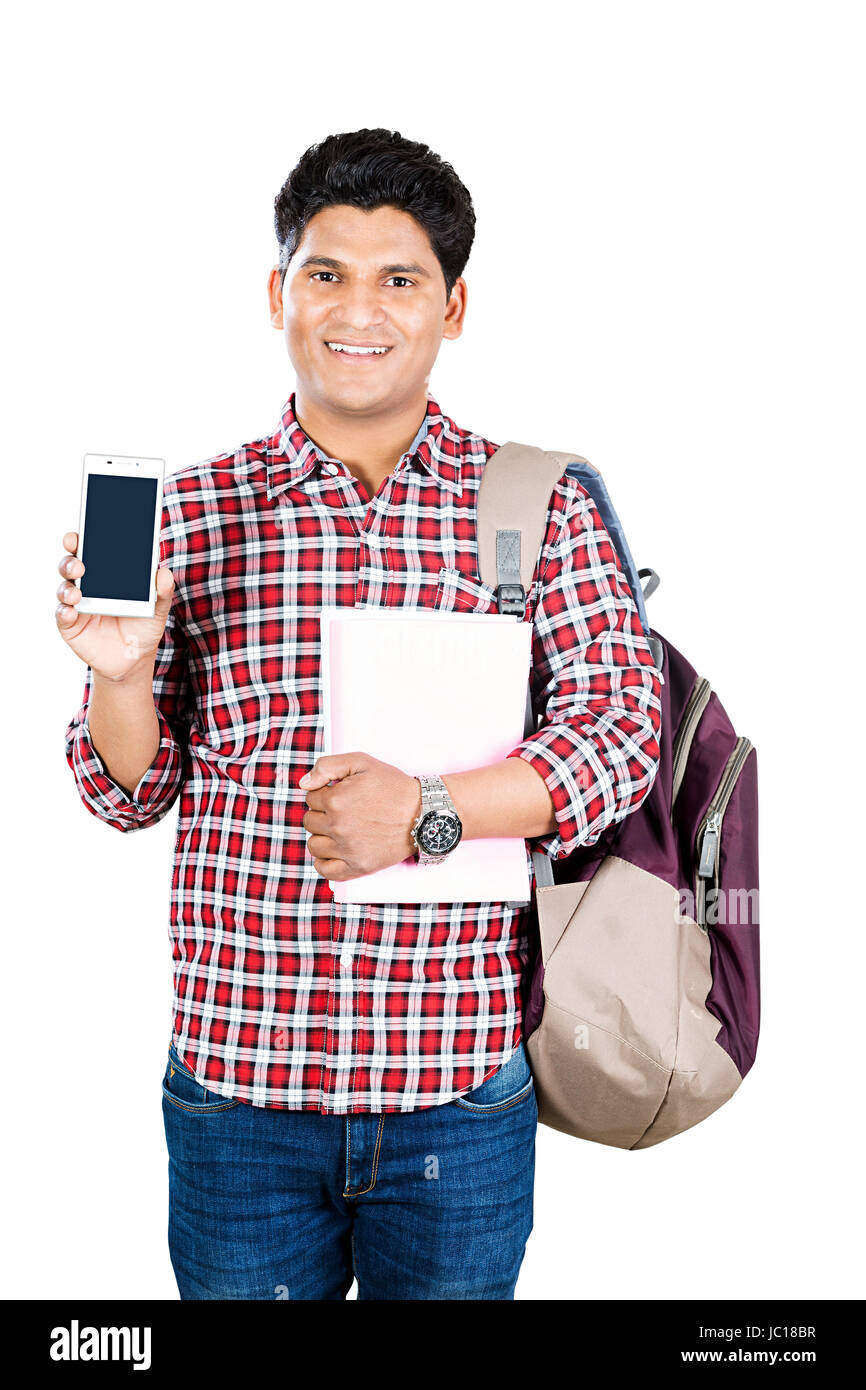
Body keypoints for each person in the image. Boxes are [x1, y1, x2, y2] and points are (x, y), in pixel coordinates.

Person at [59, 127, 662, 1301]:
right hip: (239, 1088)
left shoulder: (534, 504)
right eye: (325, 274)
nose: (359, 310)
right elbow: (123, 791)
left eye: (400, 279)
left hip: (457, 1085)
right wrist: (119, 674)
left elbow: (619, 735)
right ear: (277, 292)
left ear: (454, 305)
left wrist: (429, 812)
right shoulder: (190, 510)